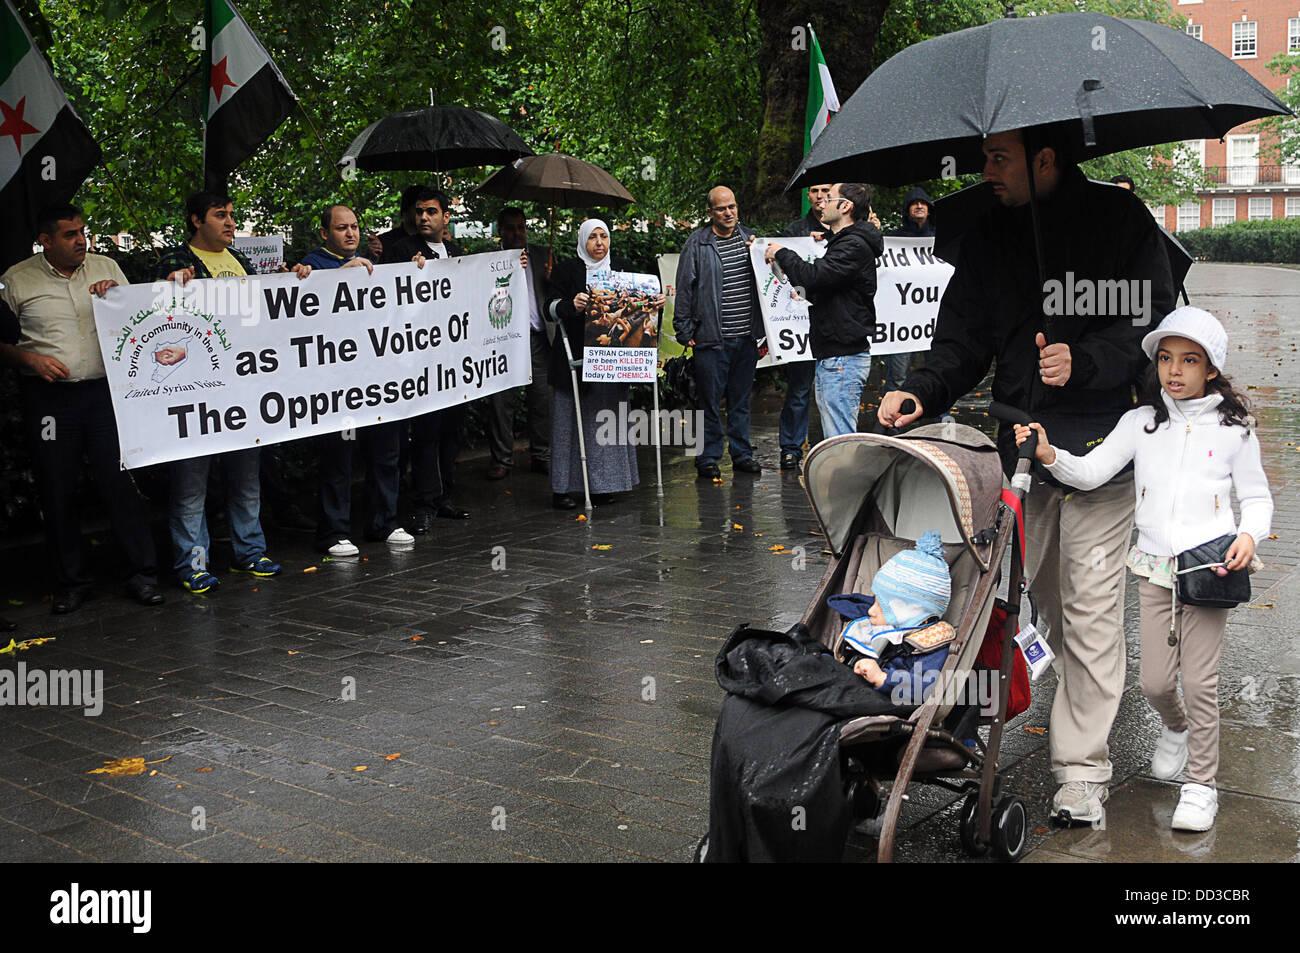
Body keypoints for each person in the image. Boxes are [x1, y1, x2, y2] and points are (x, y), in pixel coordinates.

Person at [878, 127, 1177, 824]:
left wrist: (1085, 360)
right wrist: (923, 387)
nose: (985, 170)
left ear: (1046, 158)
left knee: (1094, 611)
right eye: (985, 157)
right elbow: (962, 338)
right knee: (1035, 605)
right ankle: (984, 716)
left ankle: (1080, 774)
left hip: (1103, 453)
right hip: (1022, 455)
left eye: (999, 158)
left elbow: (1154, 326)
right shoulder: (989, 235)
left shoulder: (1119, 221)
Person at [1016, 308, 1271, 832]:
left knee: (1200, 682)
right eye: (1166, 359)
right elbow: (1090, 474)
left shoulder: (1234, 429)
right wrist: (1049, 454)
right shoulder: (1141, 423)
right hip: (1154, 569)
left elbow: (1257, 495)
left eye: (1190, 361)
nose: (1175, 371)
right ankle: (1175, 726)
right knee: (1156, 682)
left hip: (1210, 569)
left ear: (1212, 369)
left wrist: (1249, 534)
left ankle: (1202, 786)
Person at [0, 203, 164, 613]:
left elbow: (141, 321)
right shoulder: (16, 280)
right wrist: (29, 361)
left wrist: (118, 298)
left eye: (83, 231)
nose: (81, 240)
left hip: (106, 395)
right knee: (57, 489)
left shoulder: (105, 265)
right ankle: (72, 582)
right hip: (50, 399)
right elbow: (0, 341)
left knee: (121, 483)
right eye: (70, 234)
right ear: (45, 241)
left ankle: (142, 575)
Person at [157, 190, 309, 593]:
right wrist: (171, 286)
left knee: (246, 478)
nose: (230, 222)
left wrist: (288, 279)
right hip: (198, 391)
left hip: (242, 387)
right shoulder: (177, 261)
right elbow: (158, 314)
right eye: (219, 215)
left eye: (231, 215)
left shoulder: (239, 261)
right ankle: (194, 565)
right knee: (191, 485)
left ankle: (249, 552)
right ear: (195, 221)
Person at [299, 204, 408, 556]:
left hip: (376, 380)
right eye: (341, 227)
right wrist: (338, 277)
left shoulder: (371, 265)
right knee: (338, 457)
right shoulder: (311, 266)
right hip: (336, 384)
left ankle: (385, 522)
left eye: (355, 227)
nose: (350, 233)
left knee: (386, 452)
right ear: (324, 233)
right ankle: (333, 531)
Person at [545, 219, 661, 508]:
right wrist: (571, 304)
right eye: (592, 237)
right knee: (568, 423)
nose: (599, 243)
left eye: (604, 236)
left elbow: (640, 306)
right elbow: (549, 308)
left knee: (606, 420)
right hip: (575, 361)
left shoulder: (622, 268)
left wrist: (655, 302)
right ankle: (562, 489)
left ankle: (603, 486)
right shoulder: (566, 270)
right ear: (582, 241)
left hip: (613, 362)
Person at [380, 187, 470, 528]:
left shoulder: (458, 252)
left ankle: (444, 496)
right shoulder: (401, 251)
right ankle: (424, 503)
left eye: (431, 211)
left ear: (446, 217)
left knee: (452, 432)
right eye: (419, 212)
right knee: (427, 432)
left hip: (456, 360)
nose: (423, 218)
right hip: (422, 360)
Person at [766, 183, 883, 438]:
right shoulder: (846, 242)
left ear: (845, 206)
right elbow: (827, 287)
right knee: (837, 437)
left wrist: (783, 253)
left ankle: (848, 479)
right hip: (836, 355)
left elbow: (817, 276)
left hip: (842, 357)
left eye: (829, 197)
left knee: (840, 440)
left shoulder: (852, 245)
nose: (821, 202)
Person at [673, 186, 763, 479]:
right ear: (710, 212)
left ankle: (742, 454)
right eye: (722, 209)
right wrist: (684, 329)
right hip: (711, 338)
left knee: (740, 400)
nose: (729, 213)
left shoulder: (751, 240)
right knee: (708, 402)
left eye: (732, 207)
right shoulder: (697, 244)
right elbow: (684, 288)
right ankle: (708, 457)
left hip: (746, 337)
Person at [834, 531, 954, 704]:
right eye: (874, 602)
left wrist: (883, 678)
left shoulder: (931, 646)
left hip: (888, 702)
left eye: (881, 606)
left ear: (910, 611)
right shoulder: (883, 627)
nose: (870, 611)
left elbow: (927, 688)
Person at [485, 207, 553, 480]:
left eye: (521, 227)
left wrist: (552, 278)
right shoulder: (489, 260)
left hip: (537, 338)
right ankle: (502, 459)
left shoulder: (542, 255)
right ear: (500, 230)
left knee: (542, 400)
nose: (517, 233)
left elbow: (556, 294)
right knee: (501, 403)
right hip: (504, 340)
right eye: (511, 228)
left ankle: (542, 455)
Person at [774, 184, 830, 471]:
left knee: (832, 389)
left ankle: (832, 448)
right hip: (800, 324)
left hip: (834, 323)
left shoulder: (846, 230)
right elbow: (776, 269)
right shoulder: (793, 232)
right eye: (815, 191)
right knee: (799, 389)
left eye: (826, 190)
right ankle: (791, 449)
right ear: (808, 196)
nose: (820, 196)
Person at [883, 188, 937, 400]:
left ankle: (941, 421)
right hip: (903, 321)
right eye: (914, 203)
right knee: (897, 375)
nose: (919, 206)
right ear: (907, 210)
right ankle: (890, 425)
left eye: (923, 202)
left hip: (933, 318)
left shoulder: (940, 236)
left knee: (938, 372)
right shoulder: (894, 239)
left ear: (930, 209)